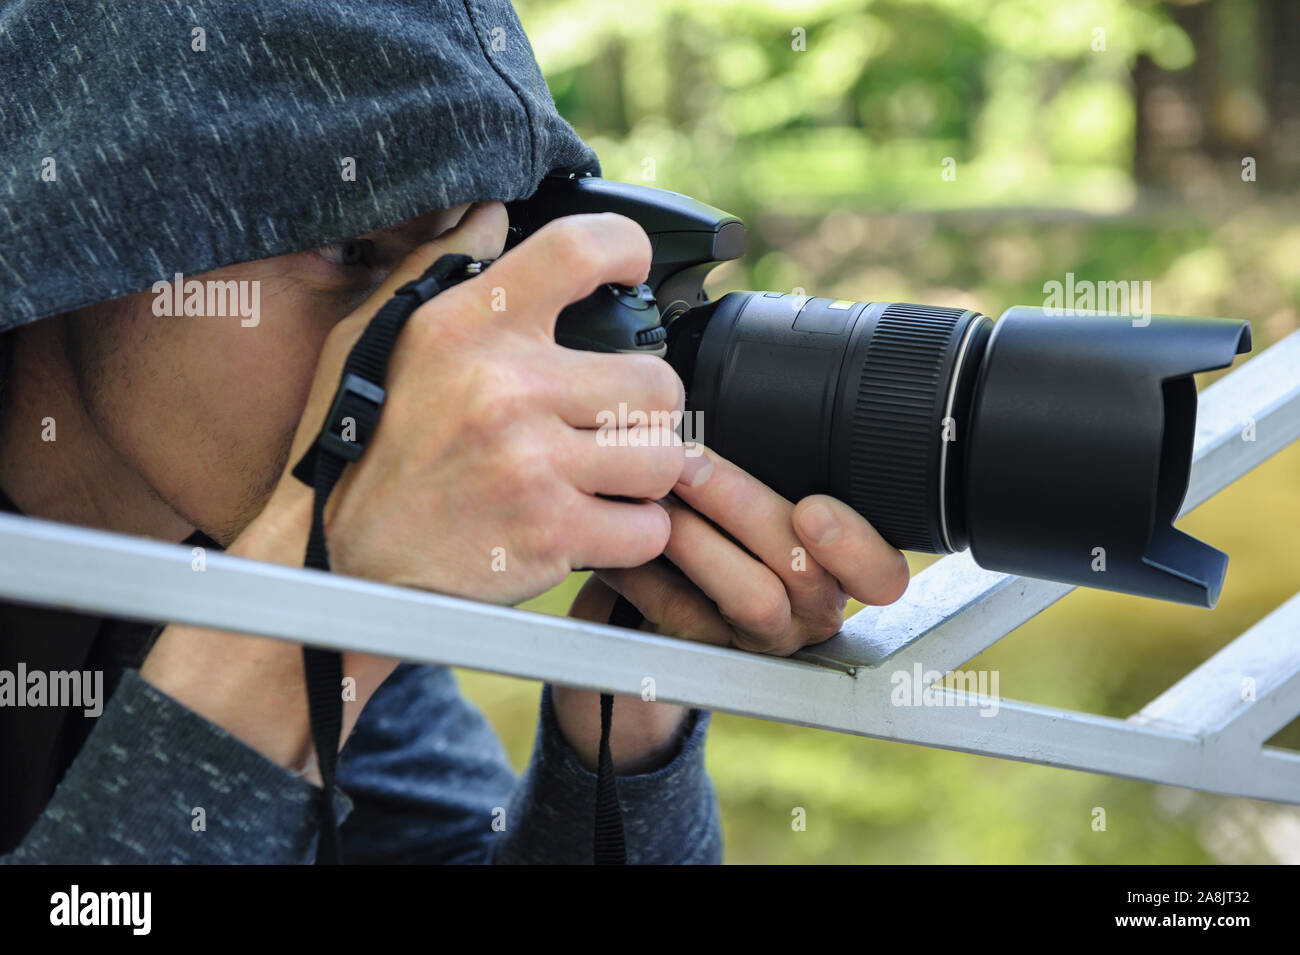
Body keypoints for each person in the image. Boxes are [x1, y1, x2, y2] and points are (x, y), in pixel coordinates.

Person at [0, 0, 909, 863]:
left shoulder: (239, 531)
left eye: (470, 268)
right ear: (84, 218)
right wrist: (314, 595)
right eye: (353, 252)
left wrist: (625, 712)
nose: (434, 353)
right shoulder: (298, 528)